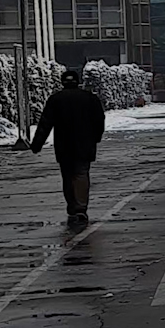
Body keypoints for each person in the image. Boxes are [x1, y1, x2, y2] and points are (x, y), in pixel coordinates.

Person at [30, 68, 106, 224]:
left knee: (67, 175)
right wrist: (96, 137)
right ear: (78, 82)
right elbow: (99, 120)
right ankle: (81, 207)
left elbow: (45, 123)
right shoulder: (90, 98)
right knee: (81, 174)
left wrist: (37, 144)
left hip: (64, 145)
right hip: (85, 144)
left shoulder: (55, 99)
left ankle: (72, 206)